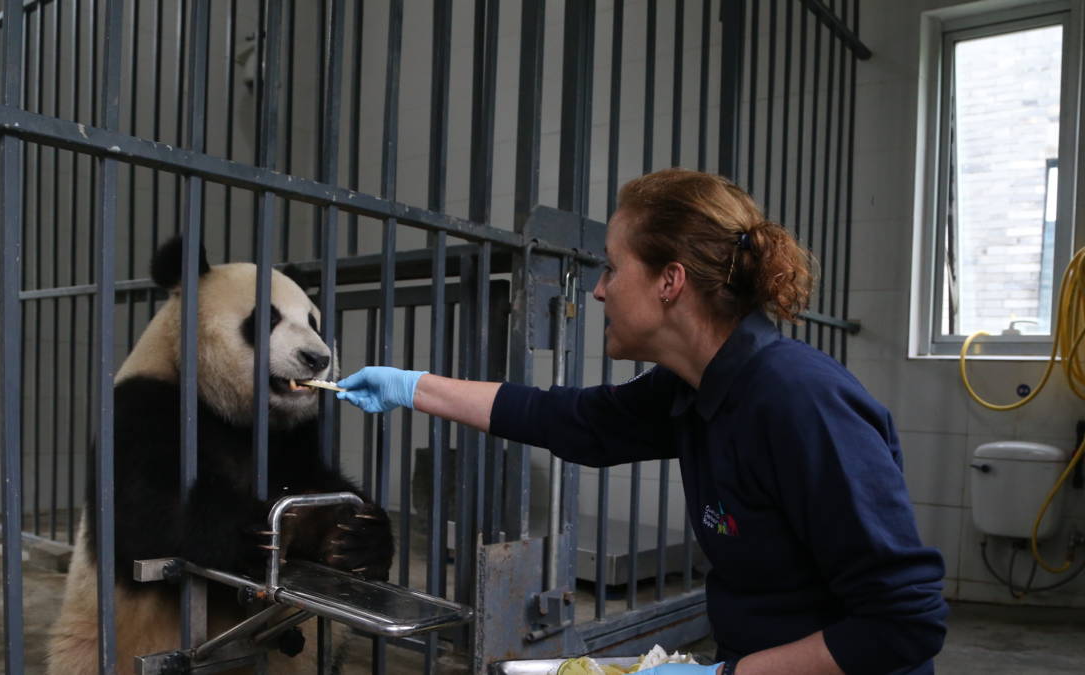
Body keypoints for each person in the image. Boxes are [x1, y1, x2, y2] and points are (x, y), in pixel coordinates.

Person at [335, 169, 948, 675]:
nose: (599, 291)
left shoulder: (801, 401)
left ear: (669, 281)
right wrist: (412, 387)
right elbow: (567, 419)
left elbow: (905, 620)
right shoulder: (692, 387)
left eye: (612, 267)